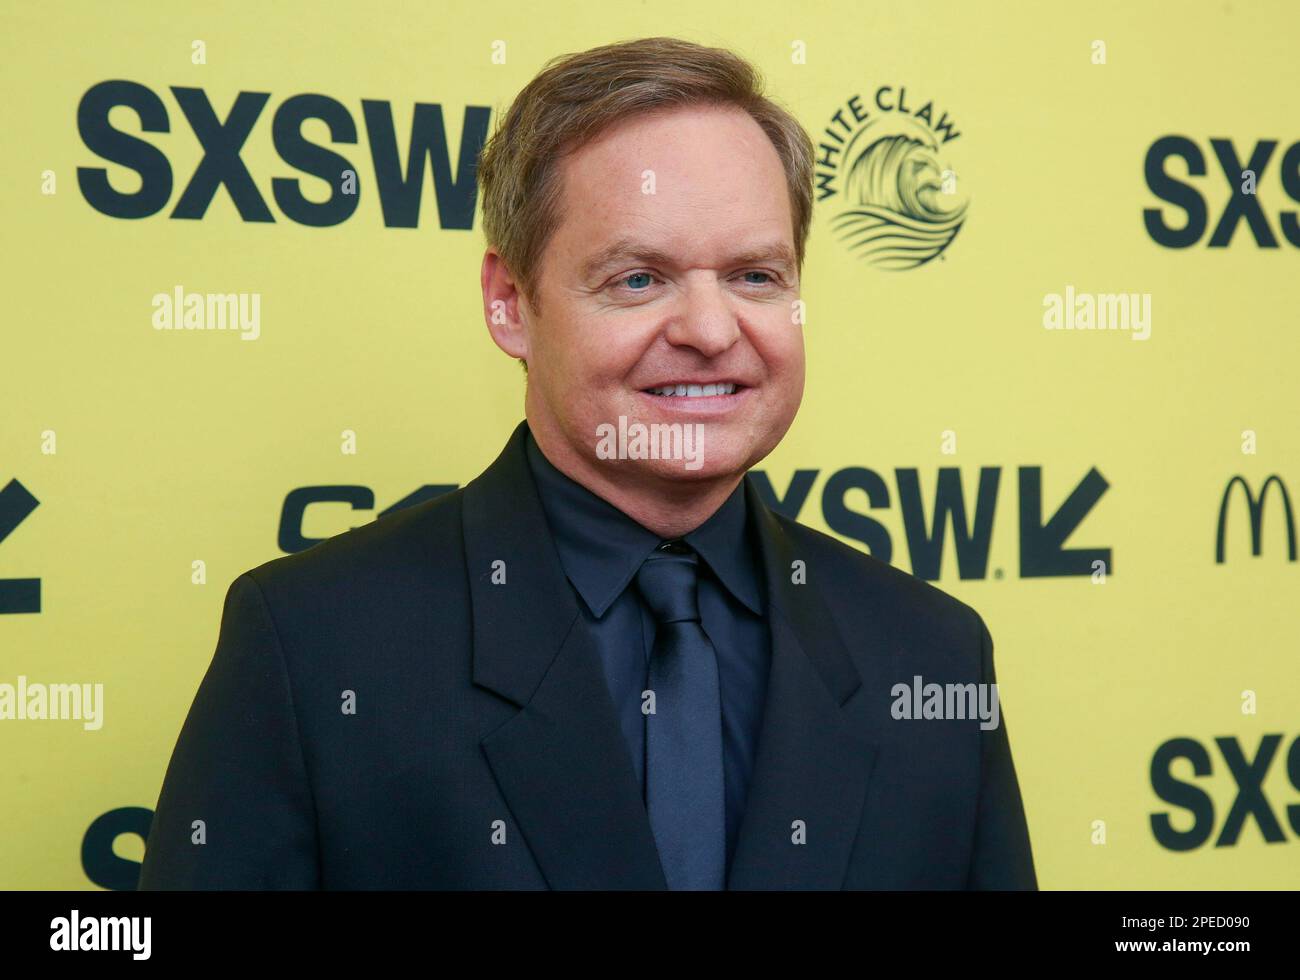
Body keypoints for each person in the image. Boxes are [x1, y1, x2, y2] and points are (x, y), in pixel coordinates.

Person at [138, 35, 1036, 890]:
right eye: (638, 279)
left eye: (756, 275)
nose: (712, 330)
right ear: (510, 305)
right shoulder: (313, 649)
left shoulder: (932, 654)